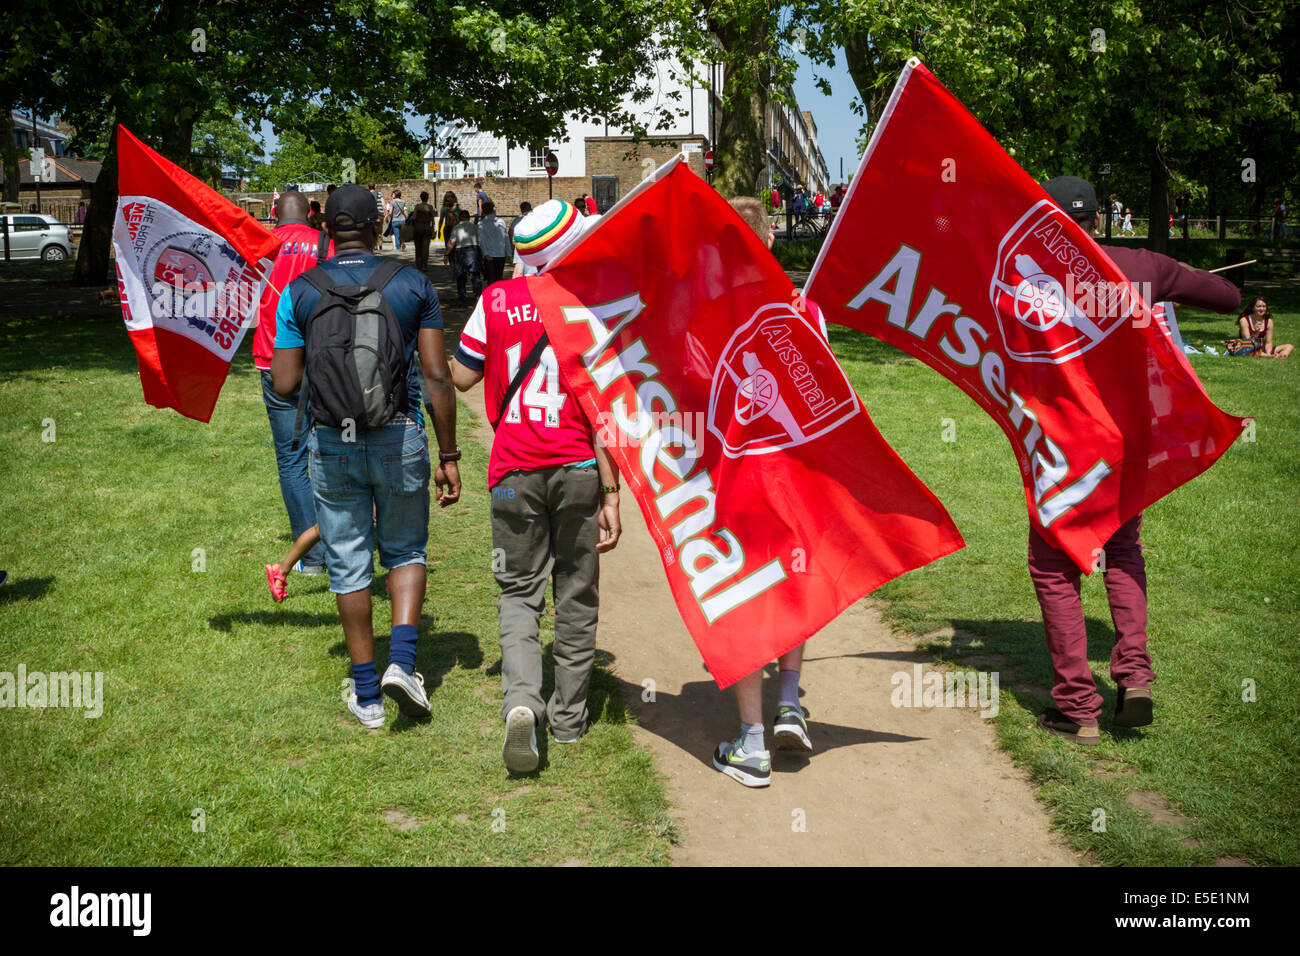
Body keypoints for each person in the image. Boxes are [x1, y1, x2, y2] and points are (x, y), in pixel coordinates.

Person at [1030, 175, 1240, 746]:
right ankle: (1135, 679)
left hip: (1065, 443)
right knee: (1121, 549)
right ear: (1099, 219)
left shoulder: (1025, 279)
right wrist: (1163, 284)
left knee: (1055, 564)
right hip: (1131, 443)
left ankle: (1077, 708)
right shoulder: (1144, 265)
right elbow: (1228, 298)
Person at [270, 184, 462, 729]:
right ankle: (402, 664)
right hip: (399, 433)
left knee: (349, 560)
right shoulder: (413, 284)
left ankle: (367, 697)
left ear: (324, 228)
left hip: (333, 442)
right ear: (378, 227)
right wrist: (448, 453)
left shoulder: (300, 291)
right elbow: (436, 377)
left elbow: (284, 383)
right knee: (405, 550)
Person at [448, 198, 621, 773]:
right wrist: (612, 490)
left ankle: (522, 702)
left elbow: (464, 378)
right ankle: (568, 717)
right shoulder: (589, 305)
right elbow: (603, 410)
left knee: (518, 591)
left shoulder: (495, 299)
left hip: (512, 473)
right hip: (577, 470)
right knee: (576, 589)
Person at [711, 196, 822, 787]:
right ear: (771, 240)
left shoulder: (707, 310)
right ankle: (788, 700)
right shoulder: (808, 310)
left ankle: (753, 743)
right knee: (792, 586)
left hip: (733, 477)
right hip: (793, 475)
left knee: (744, 594)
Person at [253, 191, 331, 577]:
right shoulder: (324, 244)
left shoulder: (262, 244)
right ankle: (344, 542)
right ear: (309, 213)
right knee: (332, 452)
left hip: (274, 359)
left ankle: (313, 557)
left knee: (291, 460)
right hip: (322, 361)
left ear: (274, 214)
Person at [445, 209, 482, 306]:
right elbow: (480, 240)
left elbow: (451, 242)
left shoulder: (456, 227)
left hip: (460, 251)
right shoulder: (474, 227)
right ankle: (478, 298)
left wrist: (446, 254)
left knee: (460, 276)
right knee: (475, 276)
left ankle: (462, 299)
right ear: (469, 218)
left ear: (460, 218)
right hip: (473, 250)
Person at [477, 200, 510, 287]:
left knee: (491, 279)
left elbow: (481, 240)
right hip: (500, 254)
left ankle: (491, 298)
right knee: (499, 278)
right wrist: (509, 253)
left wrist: (485, 253)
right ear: (493, 209)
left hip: (489, 255)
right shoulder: (501, 222)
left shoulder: (481, 224)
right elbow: (506, 238)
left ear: (483, 211)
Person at [410, 191, 437, 272]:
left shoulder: (417, 206)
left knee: (418, 247)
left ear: (420, 198)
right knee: (425, 248)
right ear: (427, 198)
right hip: (427, 227)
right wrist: (432, 229)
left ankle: (419, 264)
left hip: (418, 227)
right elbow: (432, 219)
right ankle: (424, 265)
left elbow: (414, 217)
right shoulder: (430, 207)